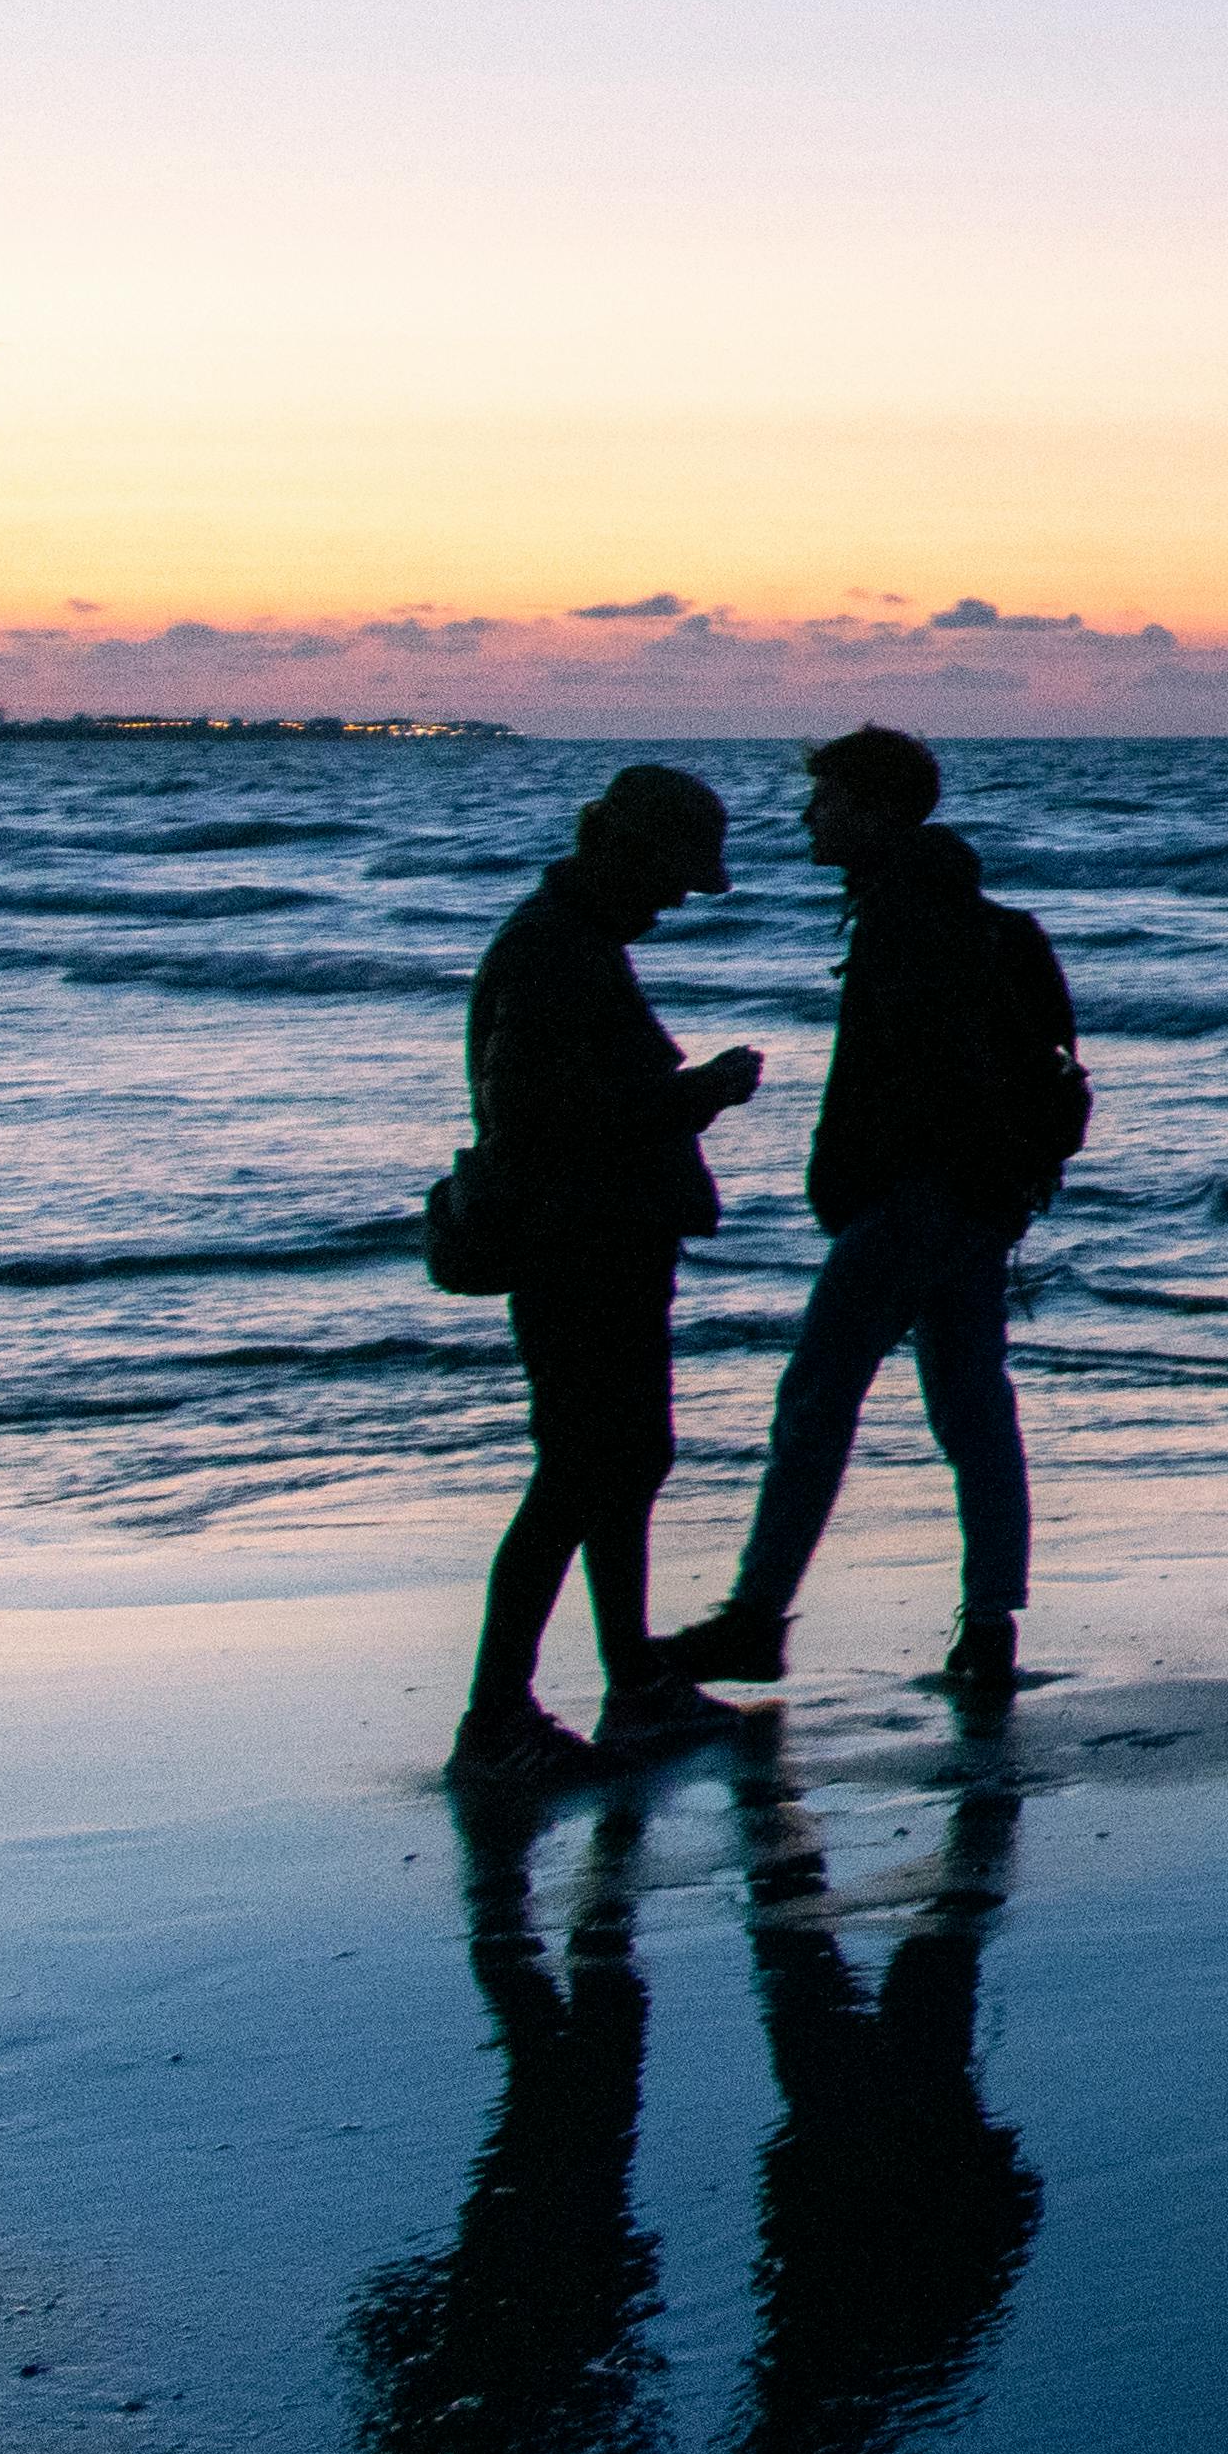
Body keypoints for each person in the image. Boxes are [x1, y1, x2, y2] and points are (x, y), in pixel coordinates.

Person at [657, 725, 1083, 1697]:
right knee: (973, 1410)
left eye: (828, 799)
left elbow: (902, 1078)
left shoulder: (903, 915)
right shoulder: (983, 918)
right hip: (981, 1200)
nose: (809, 816)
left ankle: (757, 1616)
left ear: (877, 810)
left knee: (816, 1399)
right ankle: (988, 1624)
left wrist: (854, 1185)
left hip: (915, 1198)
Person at [452, 762, 766, 1781]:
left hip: (608, 1246)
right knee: (579, 1474)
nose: (676, 901)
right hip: (573, 1249)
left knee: (624, 1463)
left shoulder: (571, 941)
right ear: (626, 853)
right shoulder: (550, 952)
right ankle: (497, 1715)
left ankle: (632, 1683)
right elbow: (537, 1123)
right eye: (672, 876)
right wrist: (696, 1095)